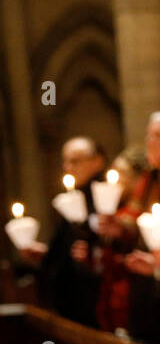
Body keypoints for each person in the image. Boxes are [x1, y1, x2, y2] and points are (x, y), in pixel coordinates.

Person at [98, 111, 160, 339]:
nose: (149, 142)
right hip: (147, 272)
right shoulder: (150, 176)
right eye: (149, 136)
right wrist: (119, 228)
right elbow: (135, 216)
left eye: (157, 136)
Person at [35, 137, 107, 326]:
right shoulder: (75, 197)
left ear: (98, 161)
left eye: (75, 161)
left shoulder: (106, 196)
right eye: (65, 161)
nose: (68, 167)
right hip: (71, 298)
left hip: (95, 297)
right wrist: (46, 254)